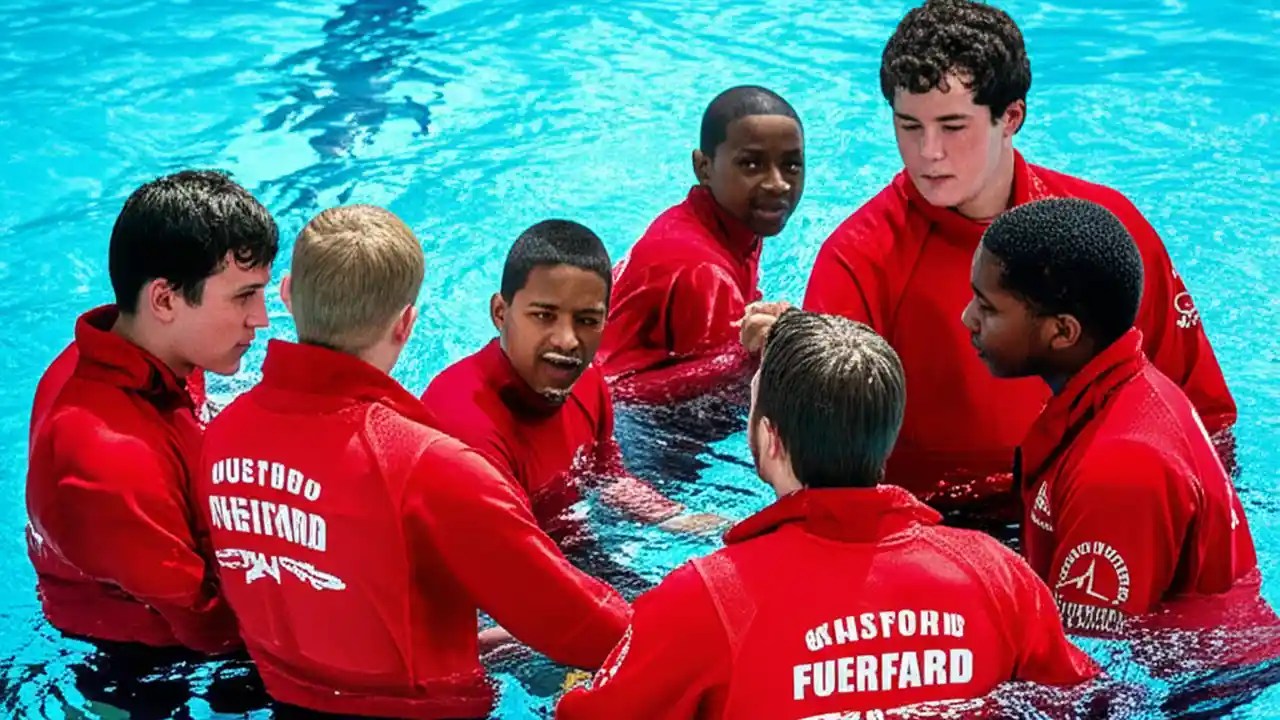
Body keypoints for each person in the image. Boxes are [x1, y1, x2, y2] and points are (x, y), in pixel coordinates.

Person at [744, 0, 1234, 515]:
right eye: (909, 126)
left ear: (1012, 117)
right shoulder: (860, 258)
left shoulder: (1101, 233)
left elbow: (1206, 419)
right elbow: (821, 472)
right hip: (935, 526)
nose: (928, 152)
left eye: (952, 127)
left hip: (1092, 503)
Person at [197, 205, 630, 719]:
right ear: (405, 323)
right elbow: (577, 623)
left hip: (283, 700)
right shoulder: (432, 465)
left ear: (287, 295)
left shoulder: (220, 437)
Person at [557, 309, 1096, 719]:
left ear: (769, 438)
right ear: (886, 442)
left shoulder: (702, 599)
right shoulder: (996, 573)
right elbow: (1080, 694)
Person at [962, 197, 1257, 634]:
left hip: (1193, 694)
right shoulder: (1113, 396)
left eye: (987, 308)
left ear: (1062, 332)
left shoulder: (1119, 466)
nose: (967, 318)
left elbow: (1091, 673)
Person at [26, 169, 278, 654]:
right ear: (164, 299)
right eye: (244, 296)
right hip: (141, 663)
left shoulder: (156, 352)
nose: (261, 318)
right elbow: (209, 628)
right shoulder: (108, 463)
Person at [423, 219, 727, 545]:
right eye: (544, 316)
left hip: (556, 548)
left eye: (586, 321)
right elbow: (501, 568)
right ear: (500, 312)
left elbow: (607, 478)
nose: (567, 340)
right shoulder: (465, 429)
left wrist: (678, 518)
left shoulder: (588, 381)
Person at [598, 85, 804, 404]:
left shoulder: (727, 220)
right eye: (751, 164)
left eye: (791, 165)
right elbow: (722, 399)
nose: (777, 183)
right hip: (624, 417)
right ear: (703, 168)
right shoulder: (703, 274)